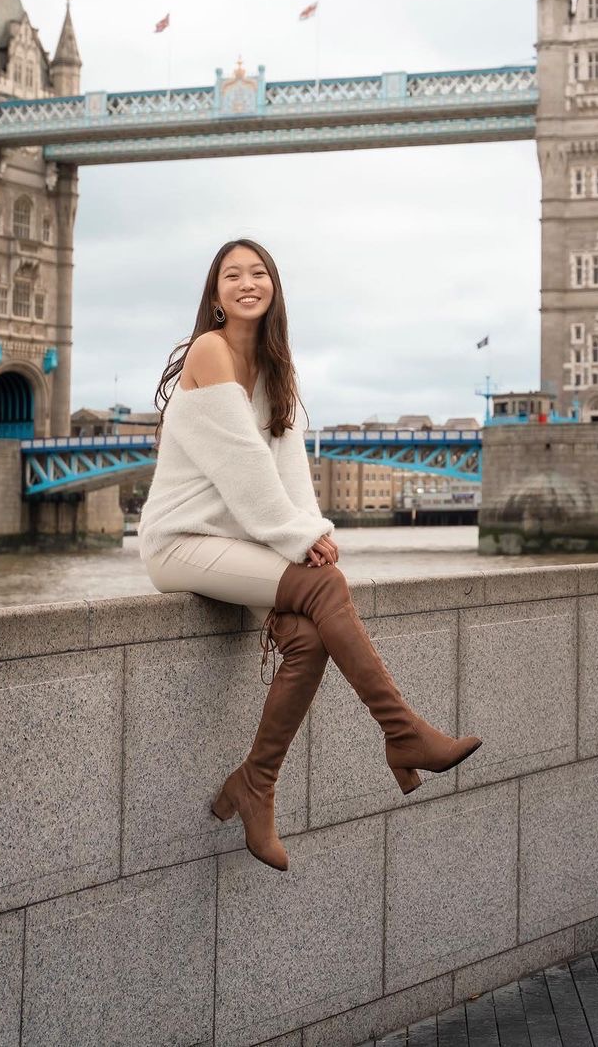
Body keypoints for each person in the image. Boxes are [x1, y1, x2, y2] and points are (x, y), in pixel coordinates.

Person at [138, 237, 481, 870]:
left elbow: (287, 474)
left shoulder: (276, 370)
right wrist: (299, 540)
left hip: (237, 543)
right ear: (214, 296)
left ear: (274, 288)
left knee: (310, 634)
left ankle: (255, 784)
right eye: (232, 274)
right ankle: (403, 736)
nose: (248, 281)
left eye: (259, 271)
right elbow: (244, 470)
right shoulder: (208, 353)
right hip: (181, 543)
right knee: (325, 590)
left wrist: (309, 532)